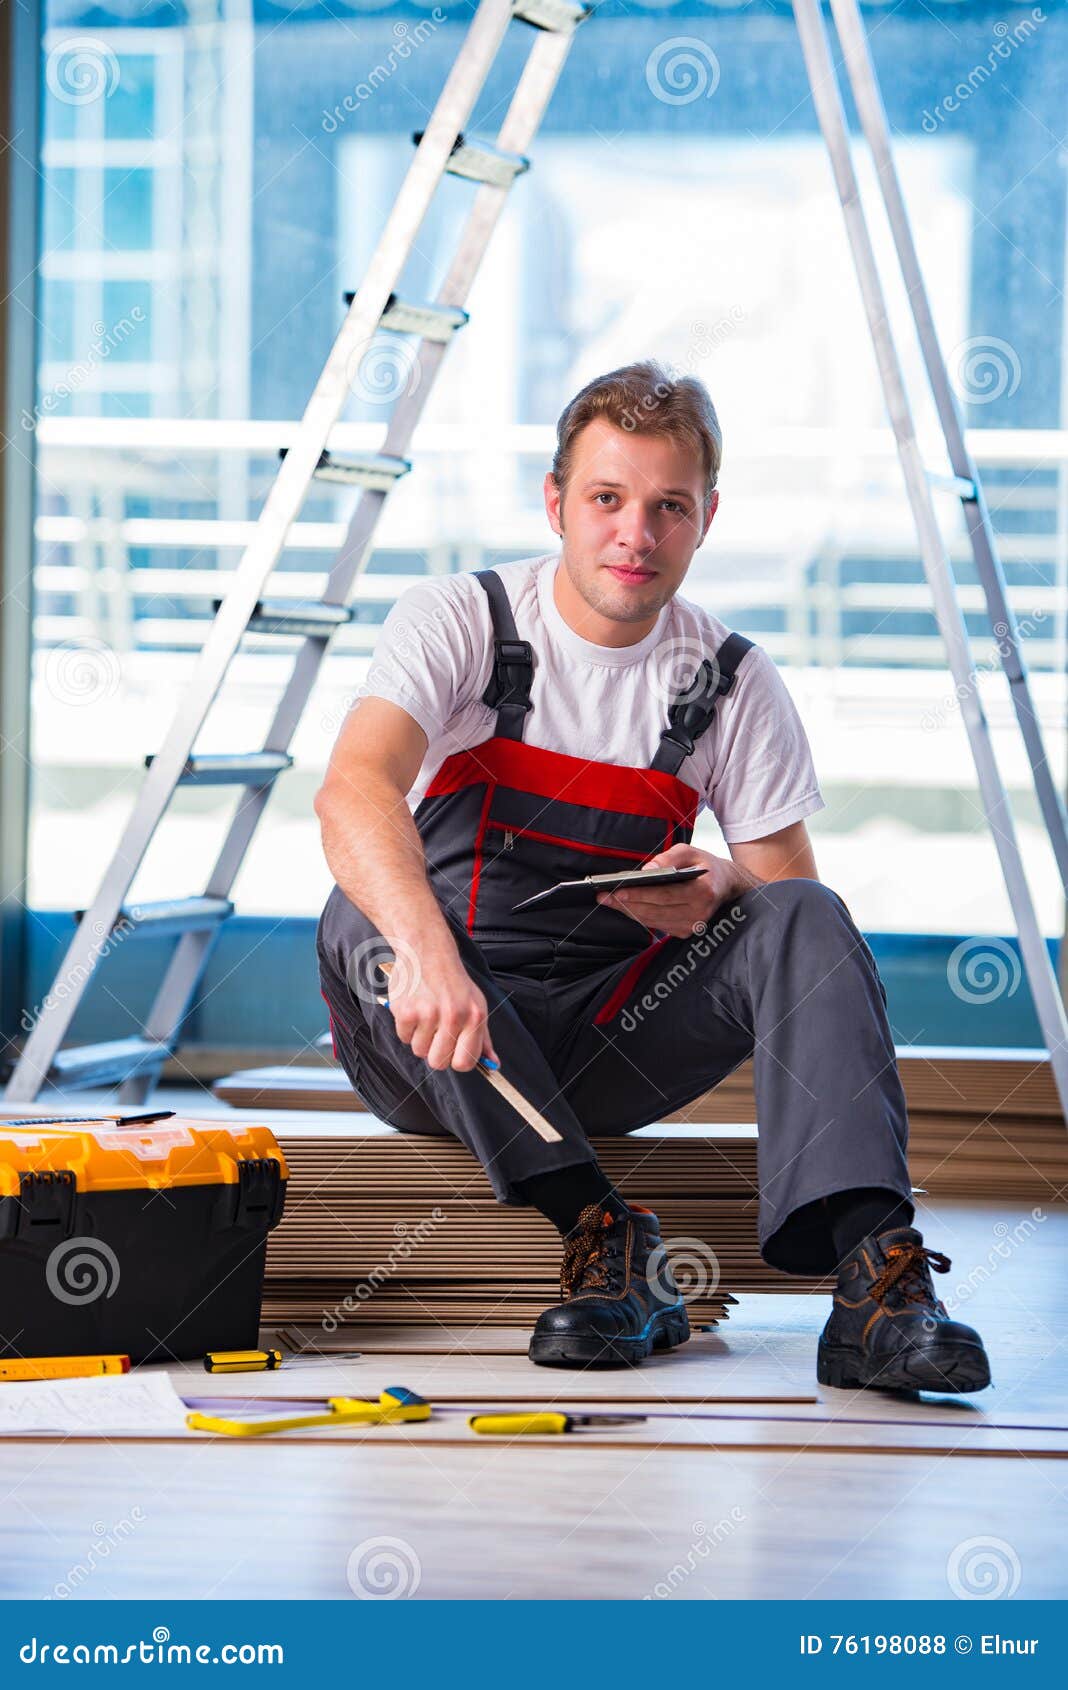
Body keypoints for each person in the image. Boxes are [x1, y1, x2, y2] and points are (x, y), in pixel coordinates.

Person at [314, 359, 991, 1393]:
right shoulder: (462, 620)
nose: (636, 534)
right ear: (556, 502)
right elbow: (353, 789)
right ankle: (603, 1232)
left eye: (669, 506)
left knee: (807, 914)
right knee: (356, 915)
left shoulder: (730, 680)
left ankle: (874, 1280)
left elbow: (791, 917)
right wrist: (425, 951)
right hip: (437, 1037)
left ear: (706, 517)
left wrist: (719, 884)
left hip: (609, 1037)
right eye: (607, 499)